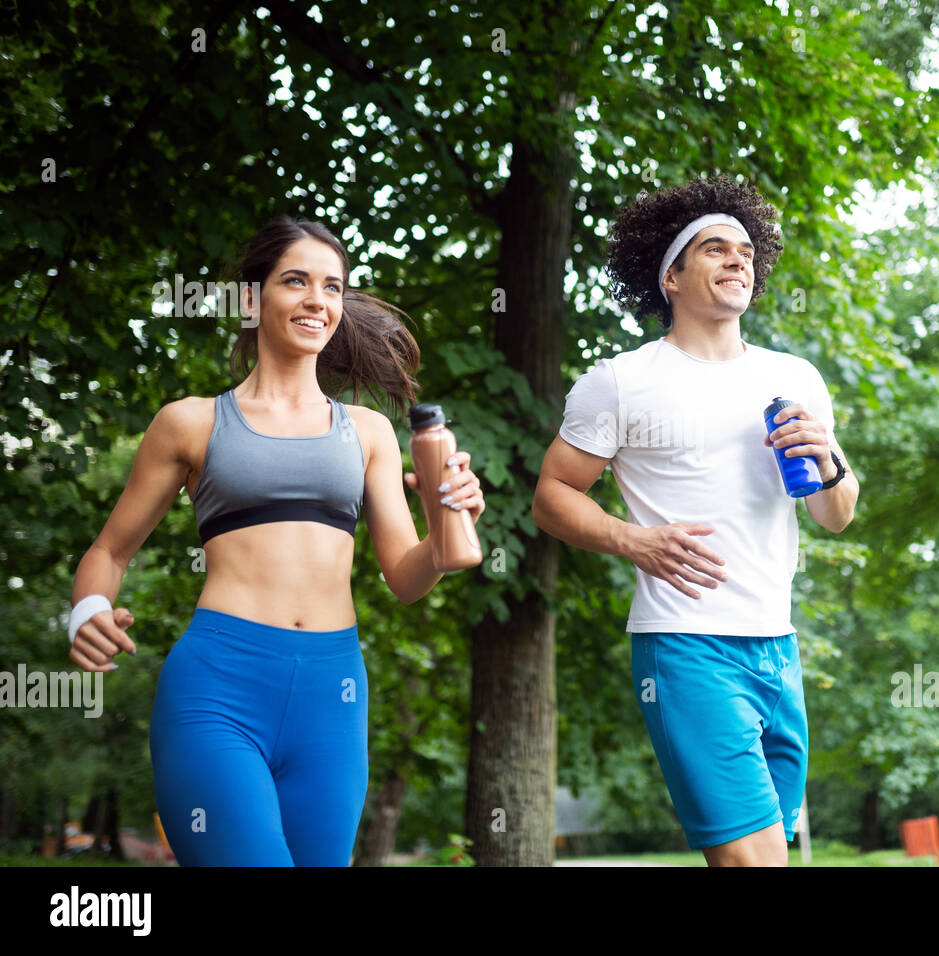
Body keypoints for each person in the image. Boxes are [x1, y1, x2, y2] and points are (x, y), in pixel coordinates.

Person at [66, 217, 485, 866]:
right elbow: (109, 552)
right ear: (252, 298)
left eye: (333, 287)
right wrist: (87, 610)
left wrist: (445, 528)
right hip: (217, 687)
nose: (318, 299)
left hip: (333, 695)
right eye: (296, 281)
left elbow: (405, 577)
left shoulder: (369, 432)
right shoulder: (190, 423)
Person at [532, 176, 859, 866]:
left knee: (771, 855)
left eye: (745, 251)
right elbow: (552, 495)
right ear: (672, 276)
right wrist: (631, 539)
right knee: (754, 860)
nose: (739, 261)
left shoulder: (794, 377)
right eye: (716, 250)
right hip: (686, 647)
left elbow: (836, 514)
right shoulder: (621, 381)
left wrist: (827, 461)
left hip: (779, 645)